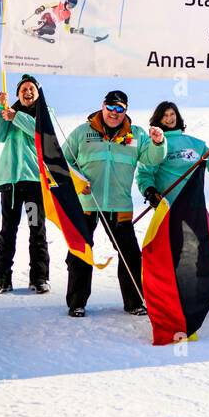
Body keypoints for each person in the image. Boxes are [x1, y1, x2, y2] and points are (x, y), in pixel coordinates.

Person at [61, 89, 165, 318]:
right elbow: (62, 161)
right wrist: (78, 182)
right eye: (111, 107)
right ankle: (76, 303)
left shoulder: (135, 134)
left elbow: (152, 158)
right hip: (87, 204)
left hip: (120, 207)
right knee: (80, 253)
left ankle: (134, 302)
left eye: (120, 109)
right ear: (102, 106)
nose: (114, 113)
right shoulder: (83, 132)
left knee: (130, 255)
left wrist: (158, 142)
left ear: (125, 110)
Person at [138, 101, 209, 298]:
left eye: (172, 114)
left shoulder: (195, 144)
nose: (169, 118)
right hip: (168, 206)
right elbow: (144, 174)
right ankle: (164, 288)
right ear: (158, 119)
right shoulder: (156, 145)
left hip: (194, 205)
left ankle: (206, 283)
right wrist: (149, 191)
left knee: (208, 239)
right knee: (171, 249)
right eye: (165, 115)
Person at [0, 75, 49, 295]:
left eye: (31, 88)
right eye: (23, 88)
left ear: (38, 93)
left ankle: (39, 277)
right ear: (17, 93)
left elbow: (40, 132)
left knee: (36, 229)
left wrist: (15, 116)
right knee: (8, 230)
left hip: (33, 182)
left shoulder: (43, 115)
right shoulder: (9, 114)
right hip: (11, 184)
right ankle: (2, 279)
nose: (27, 91)